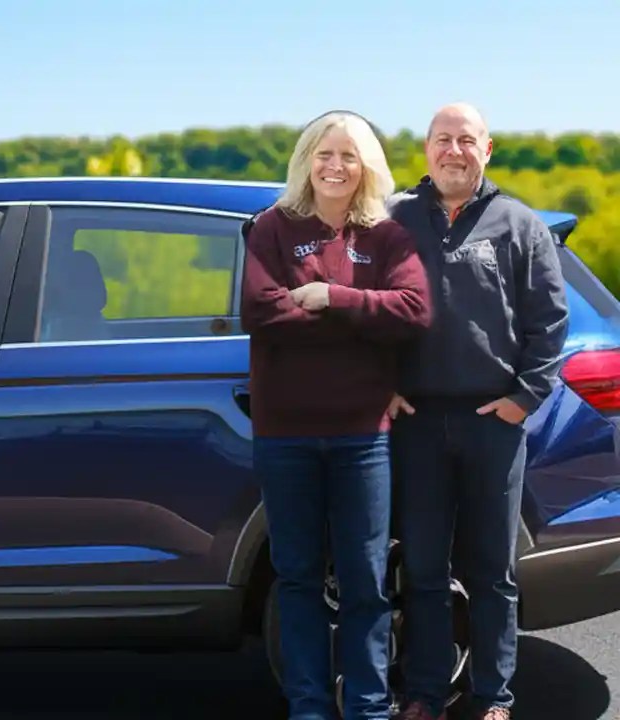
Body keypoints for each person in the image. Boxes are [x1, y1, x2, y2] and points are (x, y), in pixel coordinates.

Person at [240, 110, 432, 720]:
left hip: (362, 436)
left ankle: (370, 707)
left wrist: (332, 297)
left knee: (366, 582)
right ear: (306, 160)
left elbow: (414, 311)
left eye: (349, 155)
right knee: (295, 577)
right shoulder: (272, 228)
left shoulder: (386, 237)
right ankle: (309, 705)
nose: (335, 166)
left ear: (366, 166)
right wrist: (362, 324)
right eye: (325, 153)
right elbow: (260, 312)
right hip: (285, 435)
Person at [388, 103, 569, 720]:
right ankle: (426, 693)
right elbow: (363, 310)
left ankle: (495, 698)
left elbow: (550, 325)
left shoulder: (520, 225)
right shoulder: (393, 220)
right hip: (413, 423)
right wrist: (379, 386)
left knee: (494, 571)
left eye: (467, 140)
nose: (454, 151)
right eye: (444, 139)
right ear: (427, 149)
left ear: (487, 149)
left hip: (494, 424)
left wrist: (523, 400)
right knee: (423, 568)